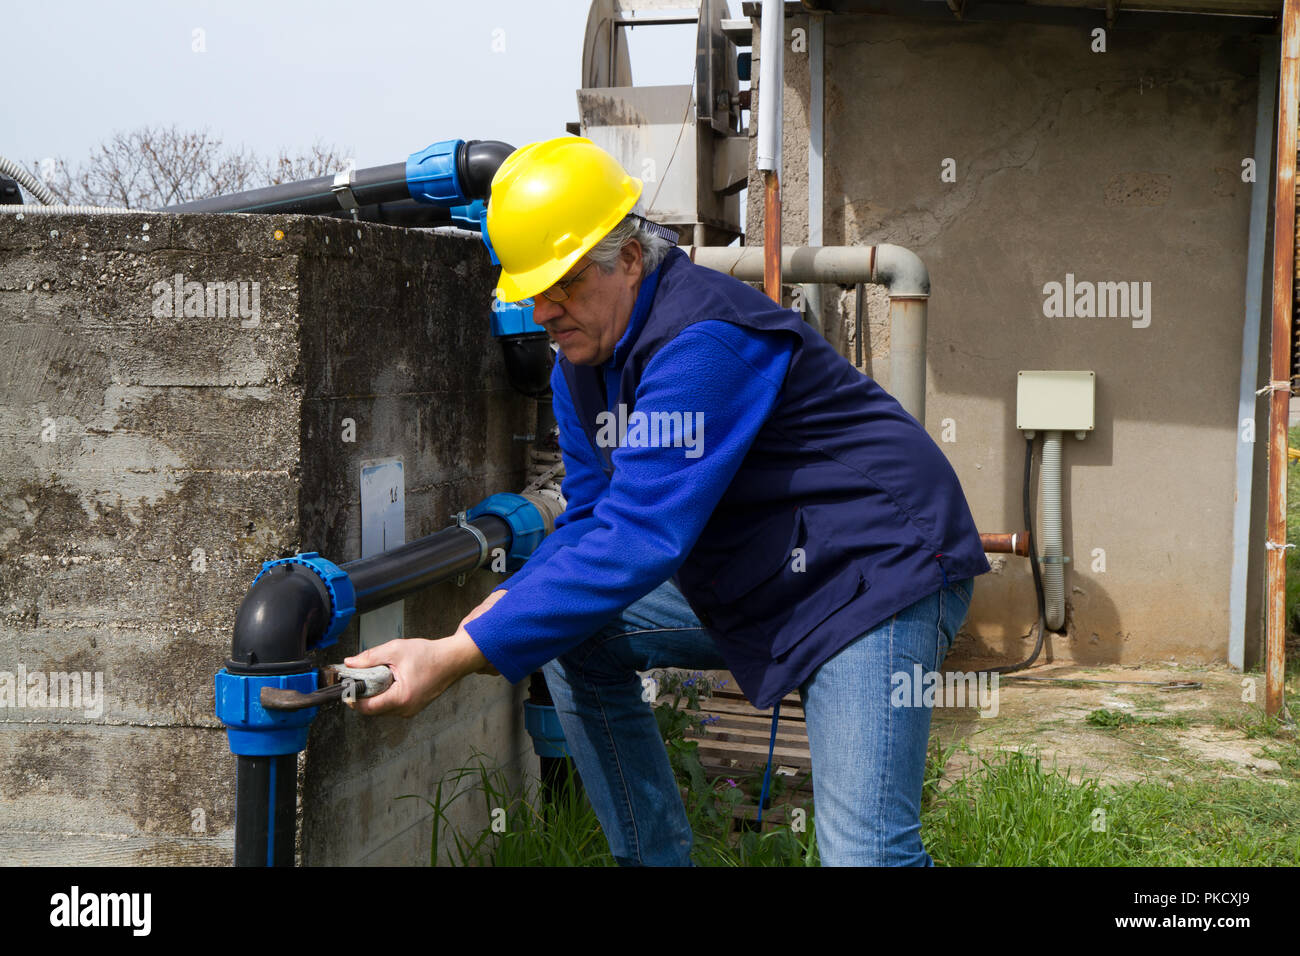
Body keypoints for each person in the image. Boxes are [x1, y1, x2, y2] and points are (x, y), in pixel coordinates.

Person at [344, 137, 990, 866]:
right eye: (533, 290)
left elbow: (641, 533)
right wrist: (510, 606)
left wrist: (459, 653)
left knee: (866, 856)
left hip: (874, 569)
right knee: (570, 632)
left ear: (628, 258)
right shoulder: (582, 363)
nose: (547, 309)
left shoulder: (703, 341)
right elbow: (590, 515)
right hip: (772, 566)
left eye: (565, 283)